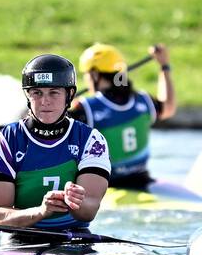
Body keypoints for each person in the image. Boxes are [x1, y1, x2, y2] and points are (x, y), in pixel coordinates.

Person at [0, 54, 111, 233]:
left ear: (69, 94)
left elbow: (89, 211)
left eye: (54, 92)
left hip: (76, 238)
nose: (44, 101)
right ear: (28, 95)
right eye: (37, 93)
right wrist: (41, 212)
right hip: (19, 241)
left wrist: (75, 202)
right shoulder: (3, 142)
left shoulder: (91, 140)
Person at [70, 43, 175, 190]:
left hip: (107, 187)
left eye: (86, 75)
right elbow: (168, 108)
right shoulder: (143, 100)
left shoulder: (85, 108)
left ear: (94, 74)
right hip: (141, 181)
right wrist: (164, 66)